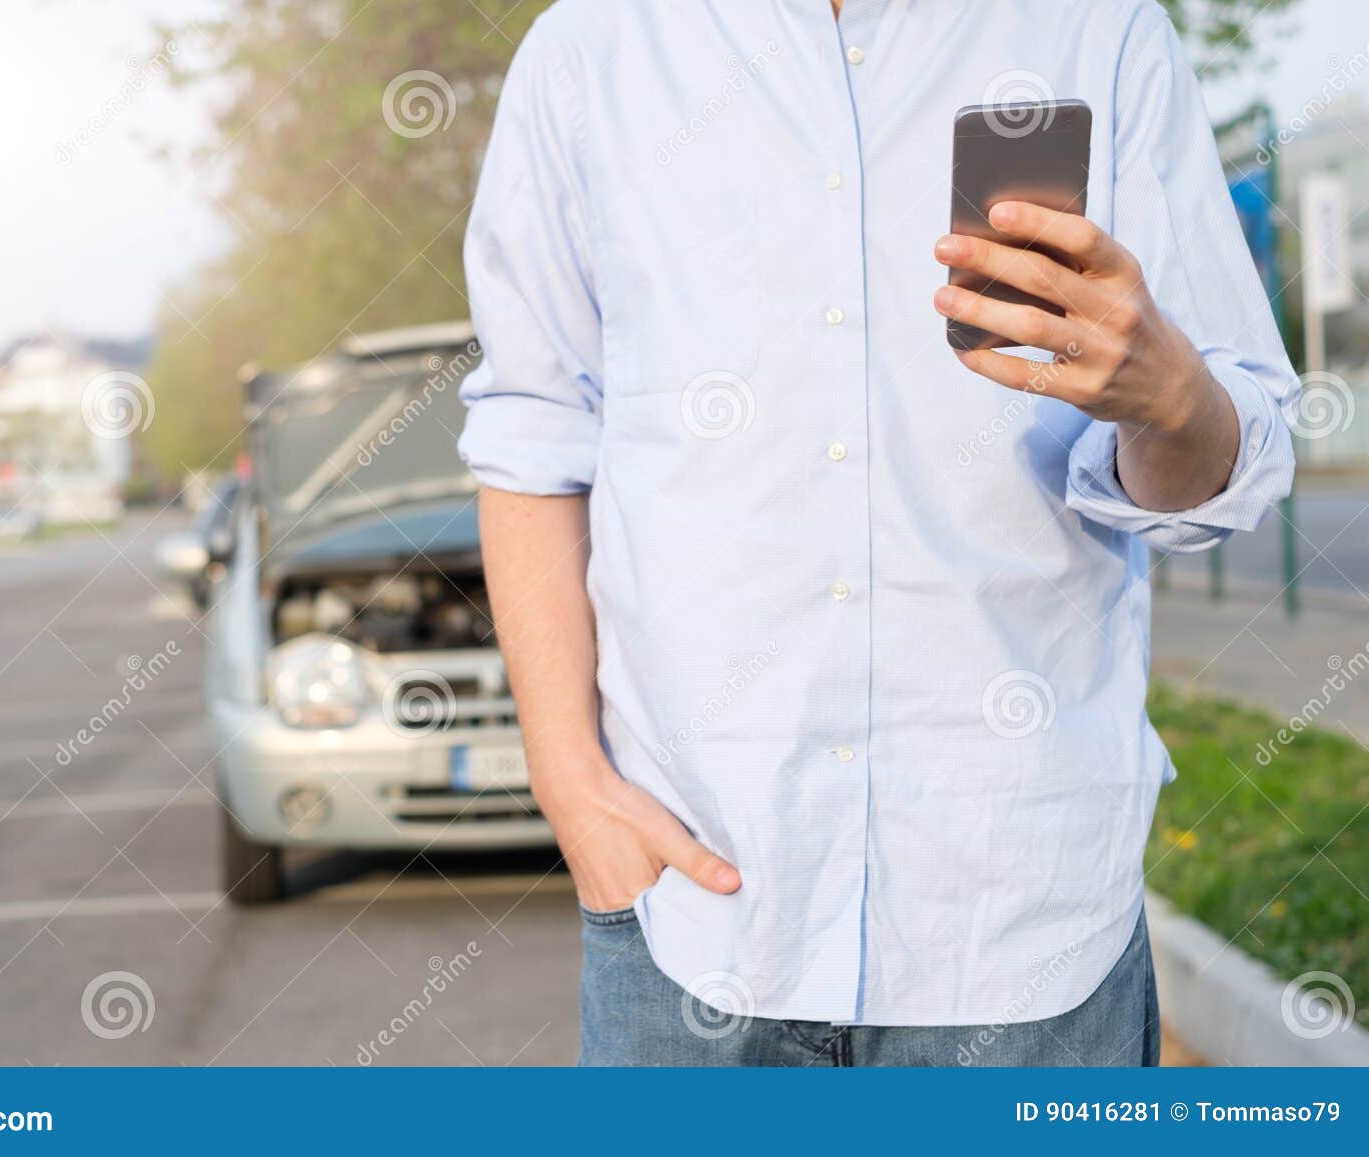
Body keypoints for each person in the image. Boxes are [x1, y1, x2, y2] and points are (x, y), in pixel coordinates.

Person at [457, 0, 1296, 1066]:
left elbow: (1231, 465)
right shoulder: (588, 51)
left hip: (1026, 928)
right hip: (691, 916)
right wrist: (567, 780)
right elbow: (533, 435)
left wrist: (1171, 395)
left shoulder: (1099, 28)